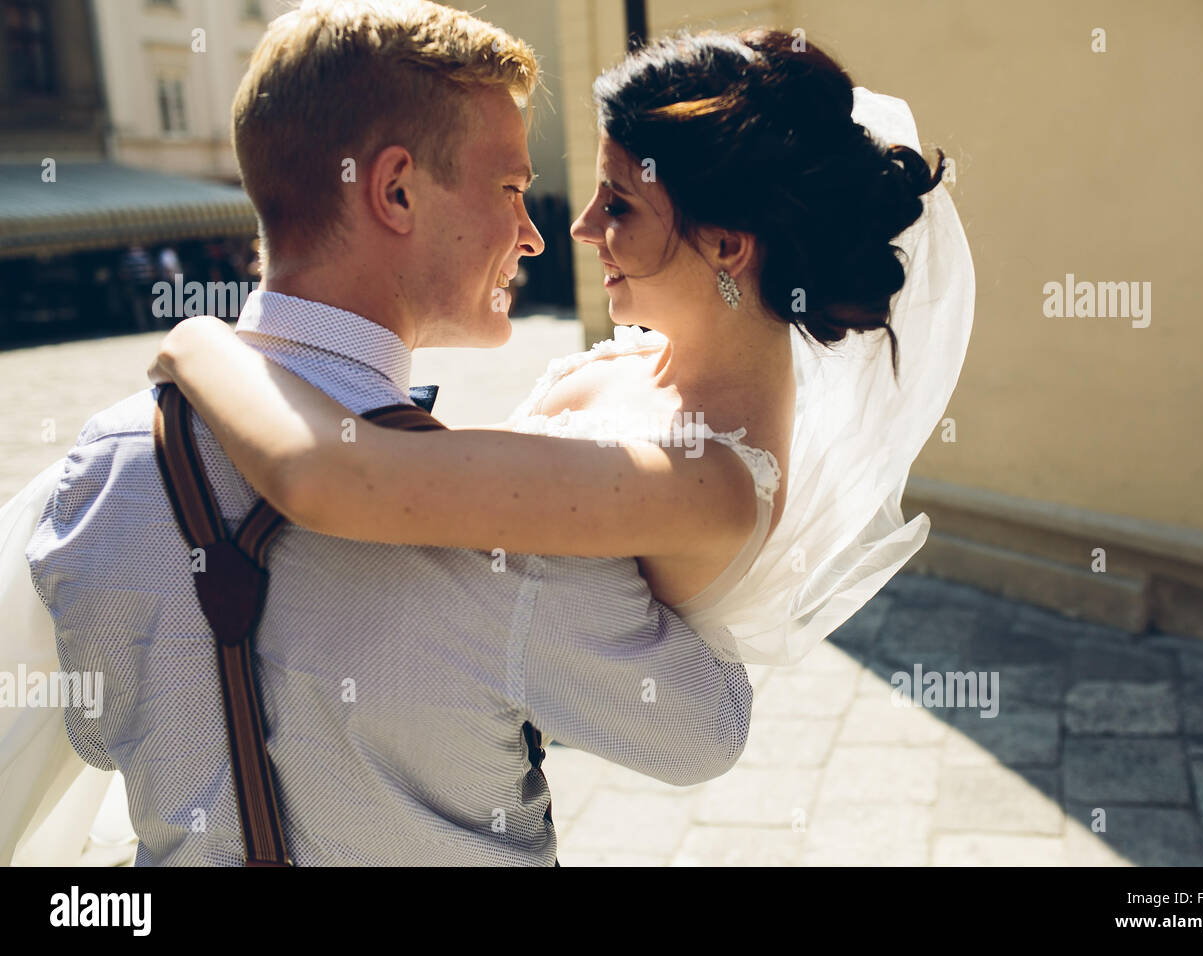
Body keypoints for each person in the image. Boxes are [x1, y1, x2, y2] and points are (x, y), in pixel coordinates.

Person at [6, 0, 751, 867]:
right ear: (394, 189)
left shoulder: (93, 476)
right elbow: (703, 732)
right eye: (511, 189)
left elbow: (100, 735)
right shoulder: (506, 535)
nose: (535, 232)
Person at [151, 28, 977, 669]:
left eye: (618, 205)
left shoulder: (705, 484)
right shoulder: (630, 365)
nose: (578, 230)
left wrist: (197, 340)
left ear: (727, 246)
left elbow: (328, 477)